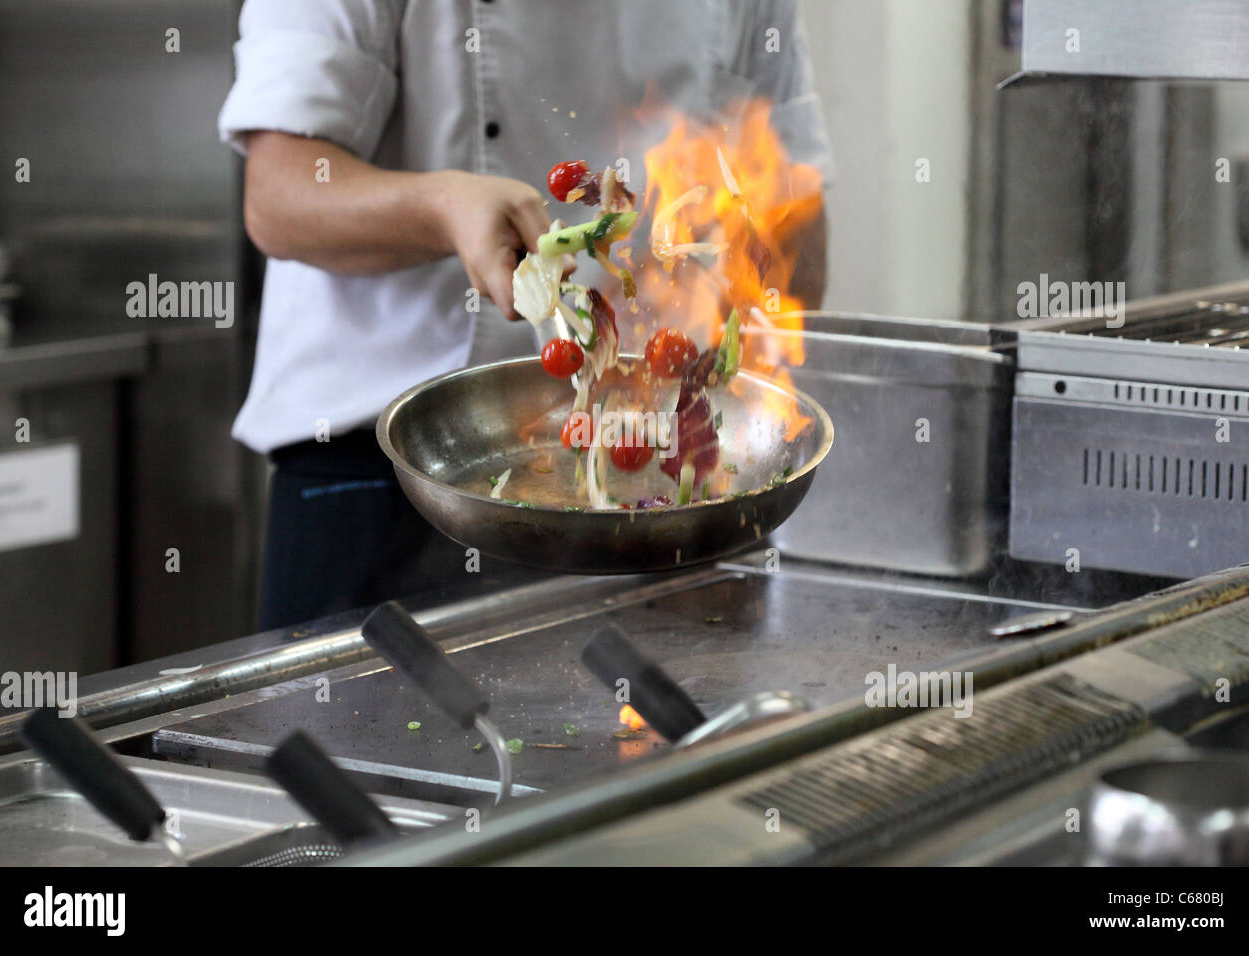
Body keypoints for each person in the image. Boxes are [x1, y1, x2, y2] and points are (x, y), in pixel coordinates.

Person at [218, 0, 835, 630]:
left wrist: (739, 258)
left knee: (680, 726)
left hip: (672, 486)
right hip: (389, 473)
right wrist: (444, 207)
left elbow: (796, 235)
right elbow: (279, 194)